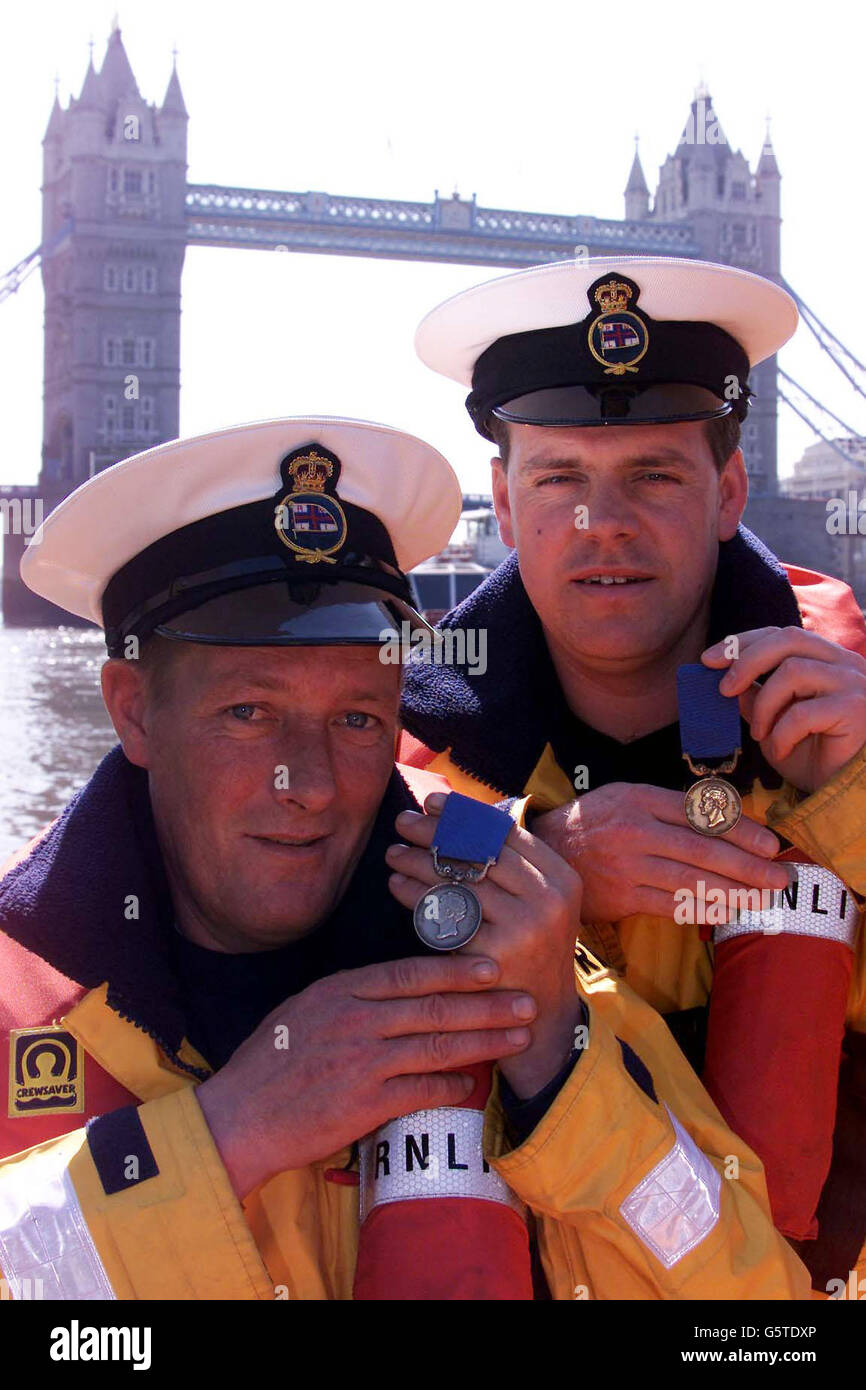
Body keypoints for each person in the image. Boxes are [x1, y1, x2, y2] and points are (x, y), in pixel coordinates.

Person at [0, 415, 807, 1301]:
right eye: (248, 714)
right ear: (133, 711)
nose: (307, 782)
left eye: (357, 720)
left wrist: (557, 1069)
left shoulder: (509, 925)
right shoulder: (21, 988)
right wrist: (228, 1136)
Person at [401, 256, 866, 1293]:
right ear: (505, 504)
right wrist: (537, 861)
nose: (598, 522)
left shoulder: (856, 708)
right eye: (557, 477)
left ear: (727, 492)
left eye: (652, 474)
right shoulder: (402, 768)